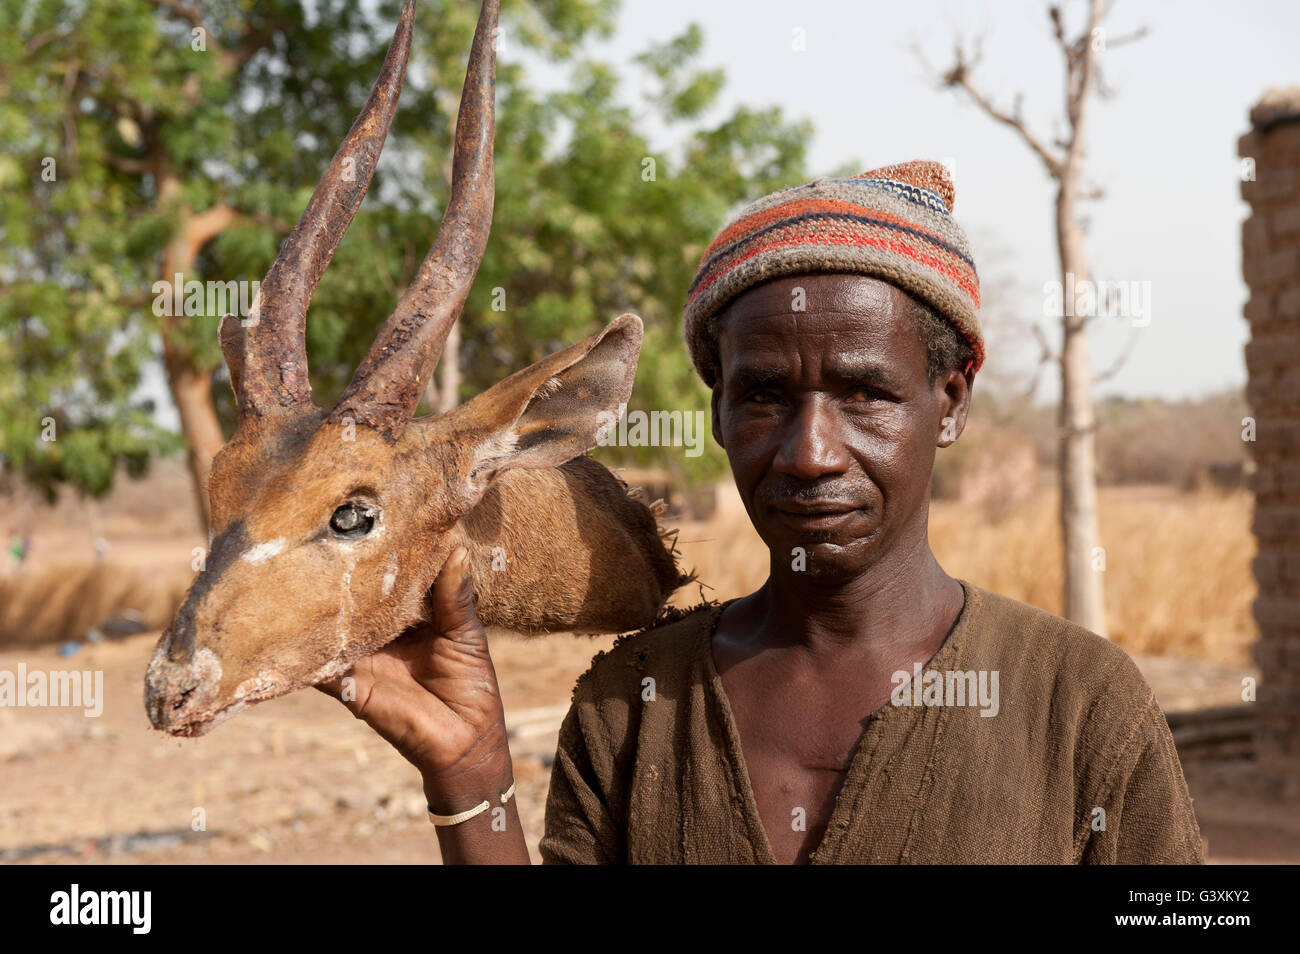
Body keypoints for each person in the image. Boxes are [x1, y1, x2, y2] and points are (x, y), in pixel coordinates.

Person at [320, 161, 1204, 864]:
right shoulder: (634, 704)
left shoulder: (1079, 705)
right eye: (765, 396)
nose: (810, 452)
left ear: (951, 402)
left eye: (866, 393)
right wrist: (470, 772)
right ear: (715, 415)